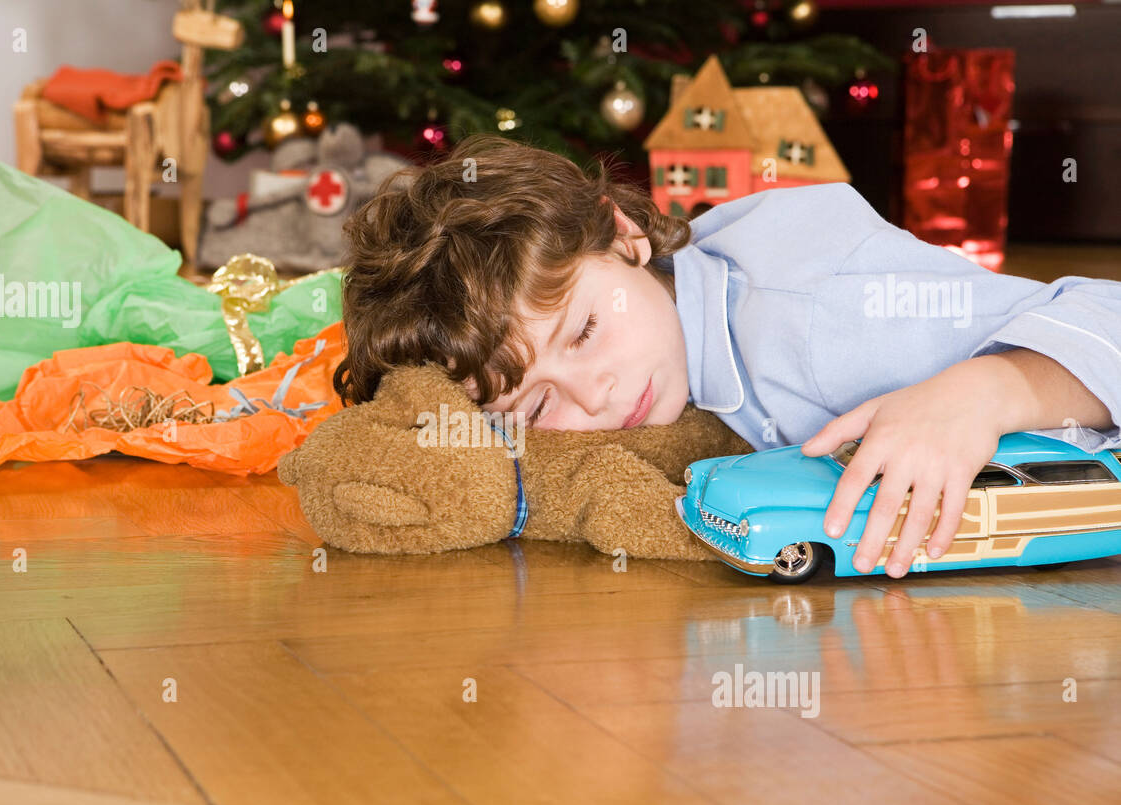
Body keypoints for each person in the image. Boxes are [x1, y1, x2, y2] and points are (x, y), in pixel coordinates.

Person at [333, 133, 1121, 578]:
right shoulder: (678, 320)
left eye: (581, 333)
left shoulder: (819, 312)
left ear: (623, 235)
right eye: (537, 404)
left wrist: (984, 393)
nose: (596, 395)